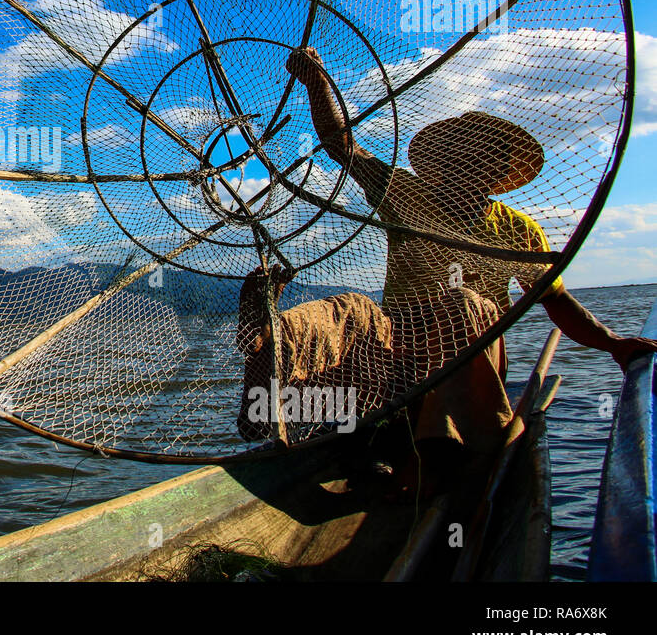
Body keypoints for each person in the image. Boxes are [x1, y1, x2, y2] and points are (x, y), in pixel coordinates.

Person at [237, 47, 657, 491]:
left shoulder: (519, 230)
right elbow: (342, 147)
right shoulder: (404, 194)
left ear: (500, 170)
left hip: (473, 355)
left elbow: (554, 300)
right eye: (461, 151)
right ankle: (268, 397)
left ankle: (440, 450)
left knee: (461, 303)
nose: (472, 160)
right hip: (398, 348)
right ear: (441, 161)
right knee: (348, 310)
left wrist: (612, 343)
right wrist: (317, 81)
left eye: (487, 155)